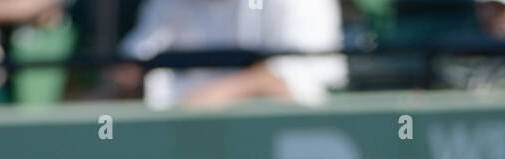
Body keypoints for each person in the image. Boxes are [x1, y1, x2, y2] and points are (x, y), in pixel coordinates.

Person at [109, 0, 347, 110]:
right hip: (179, 152)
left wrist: (193, 105)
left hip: (281, 154)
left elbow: (288, 82)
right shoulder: (166, 5)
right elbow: (128, 69)